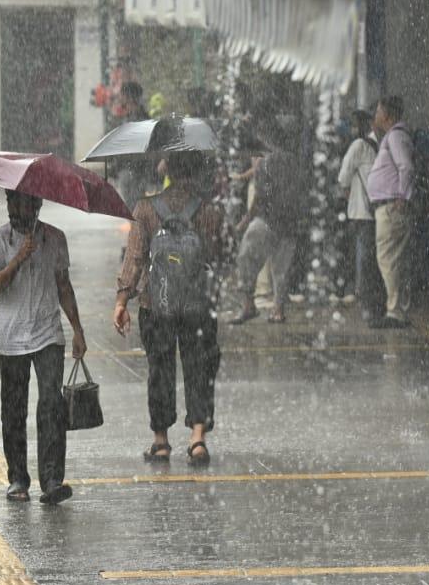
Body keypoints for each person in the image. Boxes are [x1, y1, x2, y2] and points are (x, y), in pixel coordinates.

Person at [114, 152, 223, 466]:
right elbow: (216, 257)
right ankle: (198, 438)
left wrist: (122, 301)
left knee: (159, 369)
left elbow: (135, 258)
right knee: (199, 366)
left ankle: (161, 442)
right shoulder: (209, 210)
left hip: (156, 303)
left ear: (167, 169)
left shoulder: (146, 208)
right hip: (197, 304)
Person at [0, 191, 87, 505]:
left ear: (37, 204)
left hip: (47, 335)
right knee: (14, 410)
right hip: (11, 337)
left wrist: (77, 329)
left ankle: (52, 479)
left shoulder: (55, 239)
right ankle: (17, 478)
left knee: (51, 405)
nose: (13, 207)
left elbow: (63, 285)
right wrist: (19, 258)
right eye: (10, 200)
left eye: (20, 201)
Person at [230, 122, 307, 325]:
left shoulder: (265, 162)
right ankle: (278, 310)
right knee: (281, 268)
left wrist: (244, 221)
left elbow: (259, 197)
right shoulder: (294, 161)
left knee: (246, 258)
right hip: (289, 223)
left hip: (268, 221)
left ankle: (248, 305)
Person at [366, 95, 416, 329]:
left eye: (378, 111)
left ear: (387, 115)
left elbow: (406, 166)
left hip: (390, 208)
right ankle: (398, 310)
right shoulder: (394, 136)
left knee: (388, 260)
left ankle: (395, 311)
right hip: (388, 207)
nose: (375, 115)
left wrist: (402, 197)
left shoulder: (395, 136)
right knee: (395, 260)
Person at [336, 109, 384, 319]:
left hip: (374, 212)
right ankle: (367, 302)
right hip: (366, 213)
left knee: (370, 259)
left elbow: (343, 179)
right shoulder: (361, 146)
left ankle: (370, 301)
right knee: (367, 259)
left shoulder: (380, 145)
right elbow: (343, 178)